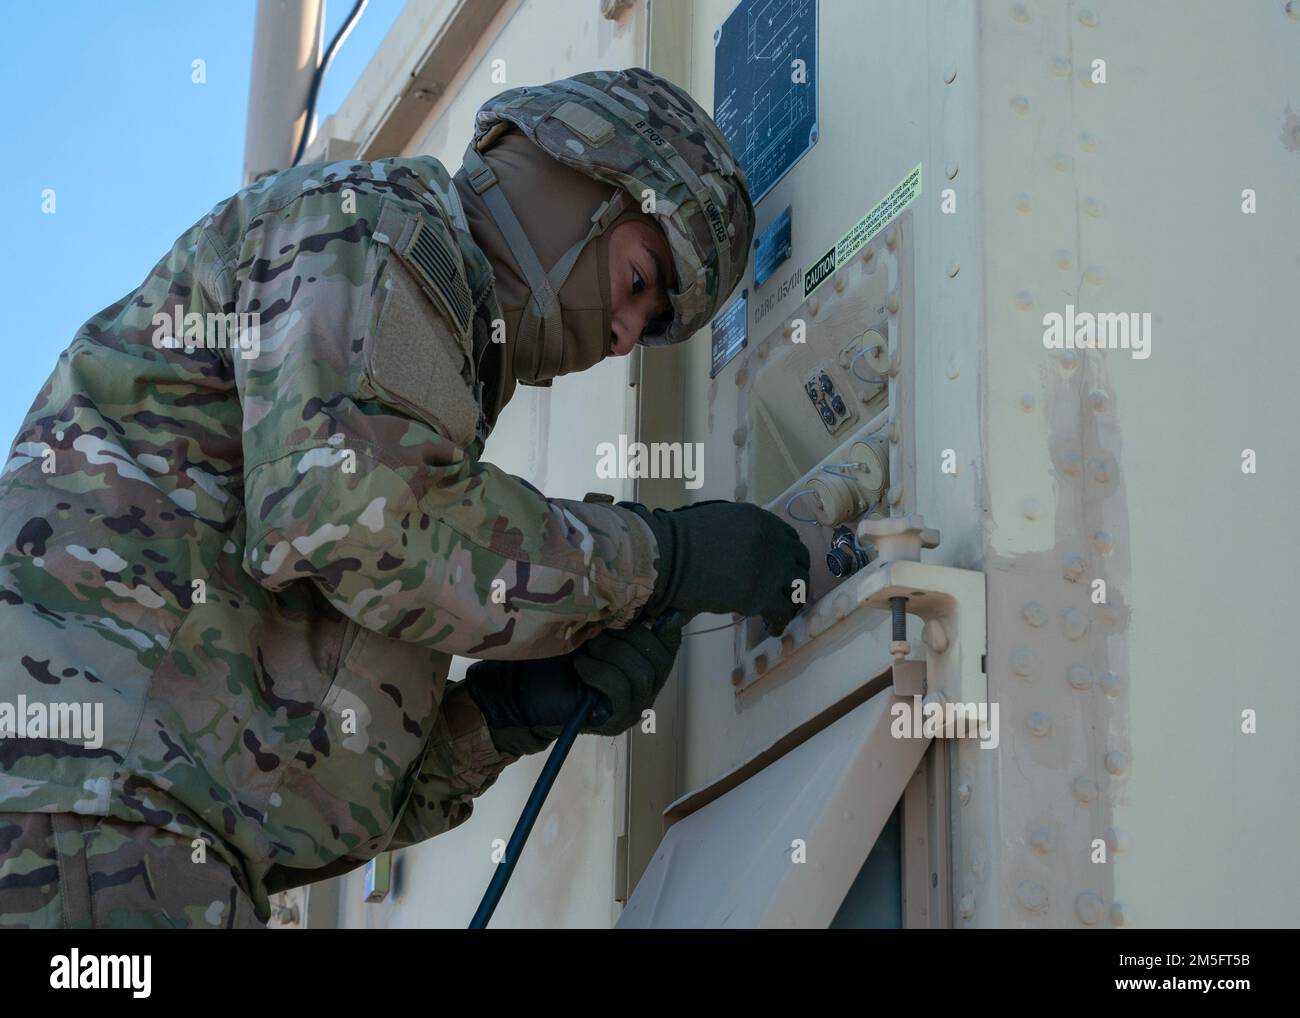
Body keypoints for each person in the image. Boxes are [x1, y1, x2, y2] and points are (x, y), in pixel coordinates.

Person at [0, 68, 809, 928]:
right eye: (640, 281)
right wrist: (663, 559)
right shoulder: (372, 230)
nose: (620, 336)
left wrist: (508, 717)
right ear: (579, 181)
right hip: (90, 825)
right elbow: (356, 523)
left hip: (128, 840)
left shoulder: (425, 385)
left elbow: (300, 802)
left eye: (646, 331)